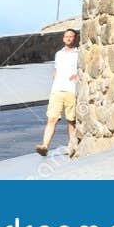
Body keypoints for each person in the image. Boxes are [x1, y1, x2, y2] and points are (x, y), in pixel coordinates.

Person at [35, 29, 79, 157]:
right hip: (57, 90)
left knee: (71, 121)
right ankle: (44, 146)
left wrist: (77, 76)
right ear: (63, 38)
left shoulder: (79, 53)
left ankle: (71, 147)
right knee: (52, 118)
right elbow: (56, 69)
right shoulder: (59, 54)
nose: (68, 38)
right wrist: (55, 79)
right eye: (66, 36)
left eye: (71, 36)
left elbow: (83, 68)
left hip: (72, 90)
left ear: (75, 38)